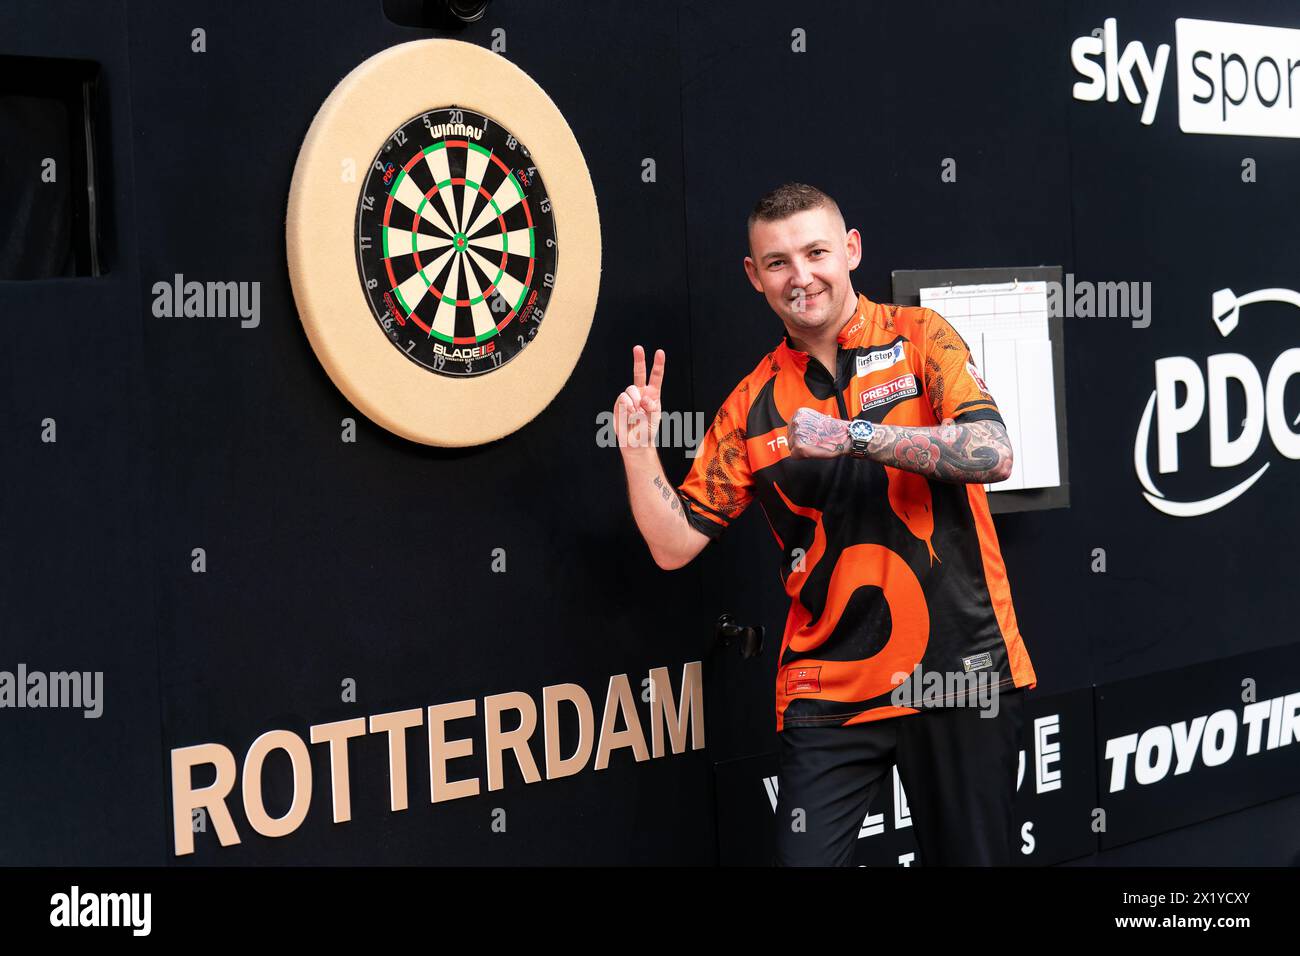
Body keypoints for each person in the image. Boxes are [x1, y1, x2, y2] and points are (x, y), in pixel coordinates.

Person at [613, 182, 1037, 866]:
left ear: (851, 250)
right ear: (754, 276)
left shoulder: (919, 337)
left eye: (816, 252)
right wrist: (637, 452)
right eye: (777, 262)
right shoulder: (751, 404)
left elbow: (993, 452)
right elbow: (672, 544)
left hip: (960, 672)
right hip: (829, 691)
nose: (800, 276)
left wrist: (854, 436)